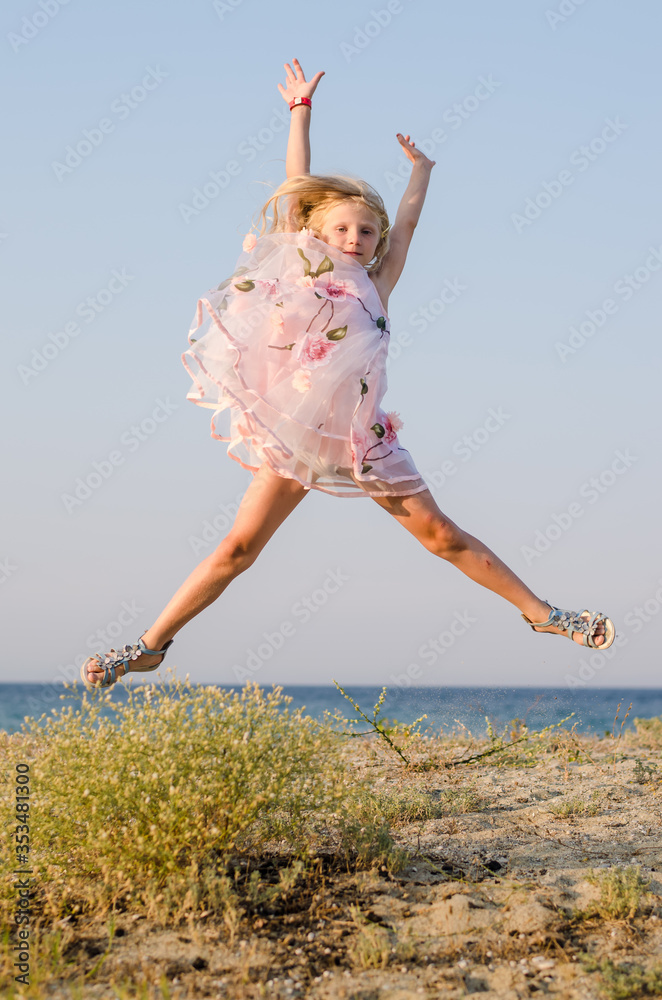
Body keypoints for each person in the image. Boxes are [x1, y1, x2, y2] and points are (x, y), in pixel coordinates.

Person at [80, 59, 614, 689]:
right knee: (236, 550)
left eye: (366, 230)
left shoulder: (378, 284)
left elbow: (408, 226)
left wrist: (422, 172)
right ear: (314, 229)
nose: (355, 238)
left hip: (364, 442)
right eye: (342, 227)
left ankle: (545, 615)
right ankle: (147, 647)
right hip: (297, 436)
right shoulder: (301, 263)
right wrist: (300, 112)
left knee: (443, 536)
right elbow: (296, 181)